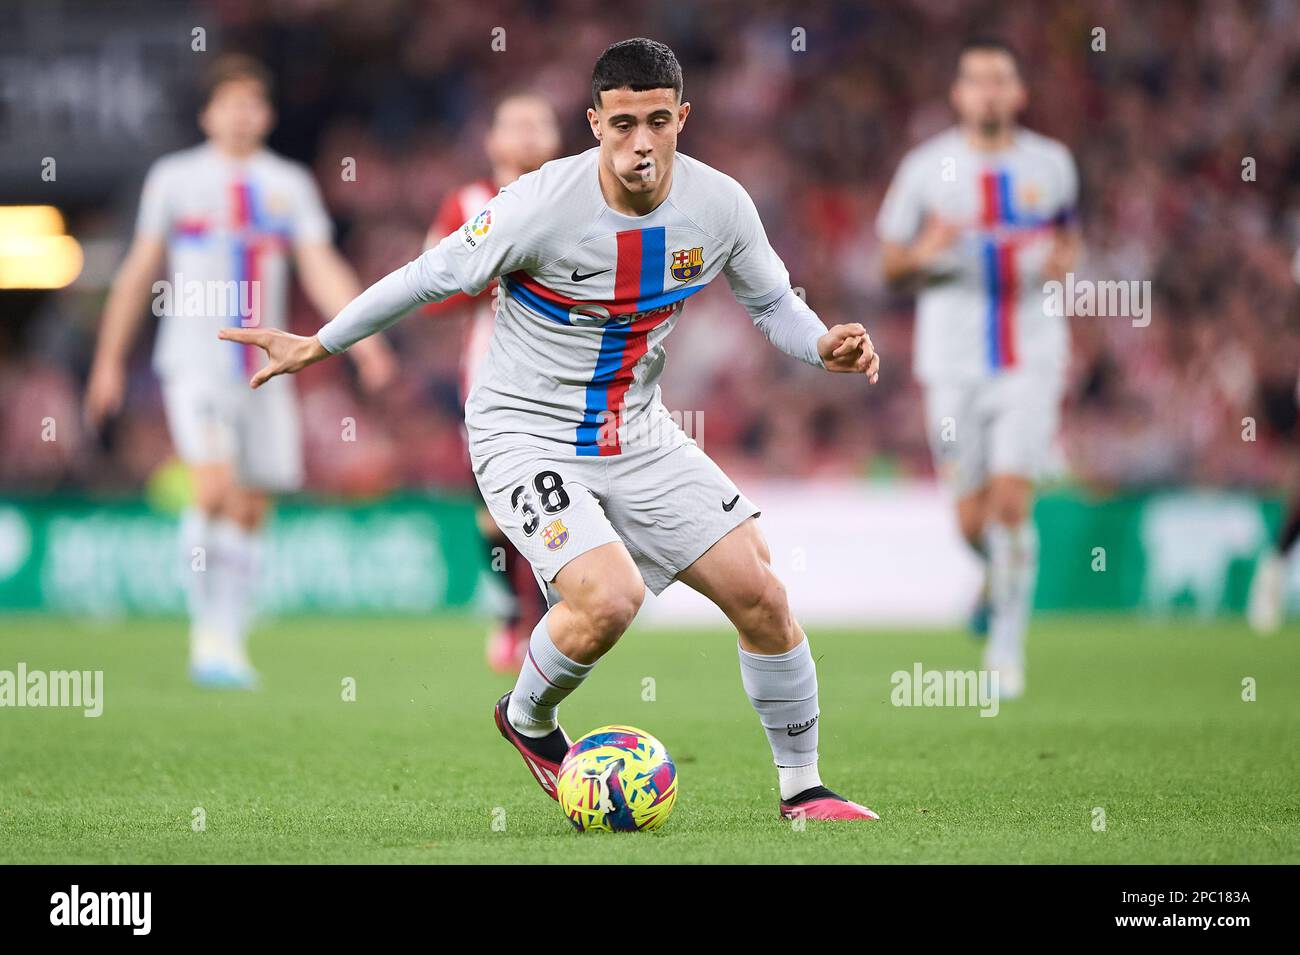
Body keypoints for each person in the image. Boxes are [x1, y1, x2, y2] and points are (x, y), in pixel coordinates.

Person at [221, 38, 880, 820]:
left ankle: (803, 789)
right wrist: (319, 343)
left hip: (637, 433)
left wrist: (821, 345)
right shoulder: (539, 204)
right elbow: (426, 274)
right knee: (609, 598)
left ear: (683, 119)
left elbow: (773, 302)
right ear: (595, 121)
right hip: (522, 432)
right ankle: (527, 717)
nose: (642, 142)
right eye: (624, 122)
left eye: (659, 122)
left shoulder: (720, 205)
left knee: (761, 593)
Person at [85, 54, 395, 688]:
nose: (241, 114)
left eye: (252, 103)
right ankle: (208, 638)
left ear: (268, 114)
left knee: (253, 502)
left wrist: (363, 338)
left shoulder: (288, 184)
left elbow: (319, 264)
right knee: (215, 487)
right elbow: (139, 270)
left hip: (268, 365)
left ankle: (231, 638)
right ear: (207, 113)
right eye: (229, 103)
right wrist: (108, 362)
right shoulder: (174, 178)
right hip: (195, 362)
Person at [877, 37, 1080, 699]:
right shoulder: (925, 168)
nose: (989, 92)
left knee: (1013, 504)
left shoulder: (1052, 164)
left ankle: (1005, 649)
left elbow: (1067, 239)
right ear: (958, 95)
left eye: (1001, 80)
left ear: (1018, 94)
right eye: (977, 81)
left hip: (1032, 354)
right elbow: (889, 266)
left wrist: (1062, 265)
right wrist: (925, 252)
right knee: (969, 520)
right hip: (953, 360)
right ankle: (995, 575)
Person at [423, 93, 561, 672]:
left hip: (567, 376)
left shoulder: (577, 196)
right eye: (515, 124)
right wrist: (498, 269)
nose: (528, 134)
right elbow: (428, 288)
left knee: (558, 496)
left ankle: (558, 617)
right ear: (493, 141)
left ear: (558, 138)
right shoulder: (467, 203)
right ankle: (512, 614)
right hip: (489, 380)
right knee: (495, 508)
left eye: (539, 123)